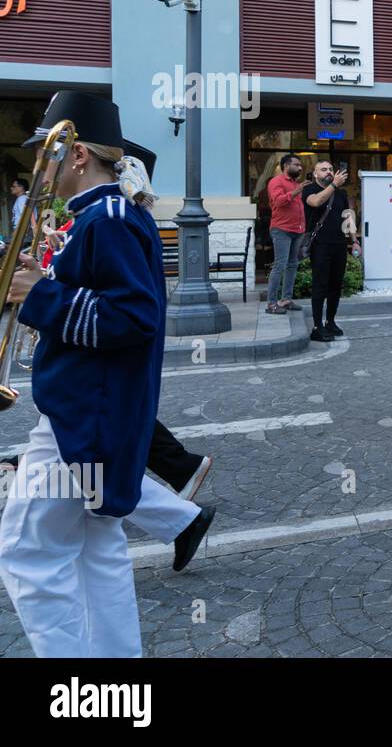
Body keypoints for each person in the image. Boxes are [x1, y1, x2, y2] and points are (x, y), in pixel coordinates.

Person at [0, 91, 167, 657]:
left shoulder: (110, 217)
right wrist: (44, 283)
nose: (37, 167)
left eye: (45, 155)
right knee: (99, 553)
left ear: (75, 156)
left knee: (27, 552)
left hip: (82, 417)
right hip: (92, 412)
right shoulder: (104, 215)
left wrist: (43, 295)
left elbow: (133, 317)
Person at [303, 160, 359, 343]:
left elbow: (348, 217)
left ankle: (330, 322)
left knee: (335, 286)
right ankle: (317, 327)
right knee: (320, 285)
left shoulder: (341, 194)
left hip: (339, 244)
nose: (328, 172)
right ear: (315, 174)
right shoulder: (309, 190)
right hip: (320, 245)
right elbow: (317, 201)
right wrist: (334, 184)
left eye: (331, 169)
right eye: (323, 169)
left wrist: (355, 241)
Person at [265, 154, 307, 315]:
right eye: (296, 165)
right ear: (286, 166)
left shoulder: (296, 184)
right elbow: (278, 201)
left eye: (300, 165)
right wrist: (296, 191)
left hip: (297, 230)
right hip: (282, 229)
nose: (300, 168)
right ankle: (271, 304)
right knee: (279, 265)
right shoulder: (276, 182)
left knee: (292, 265)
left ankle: (286, 300)